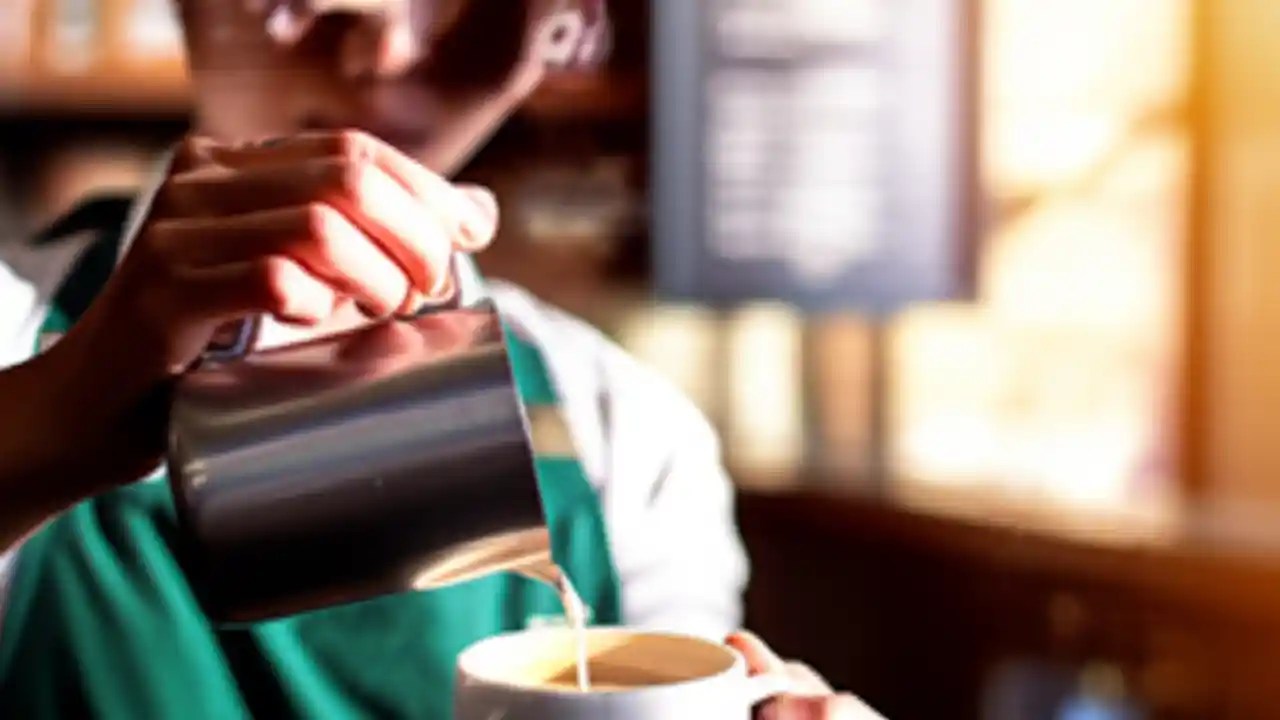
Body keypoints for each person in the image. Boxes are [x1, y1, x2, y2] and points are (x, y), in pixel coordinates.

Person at [0, 0, 882, 717]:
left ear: (566, 27)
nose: (382, 39)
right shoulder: (19, 337)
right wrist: (58, 410)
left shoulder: (623, 427)